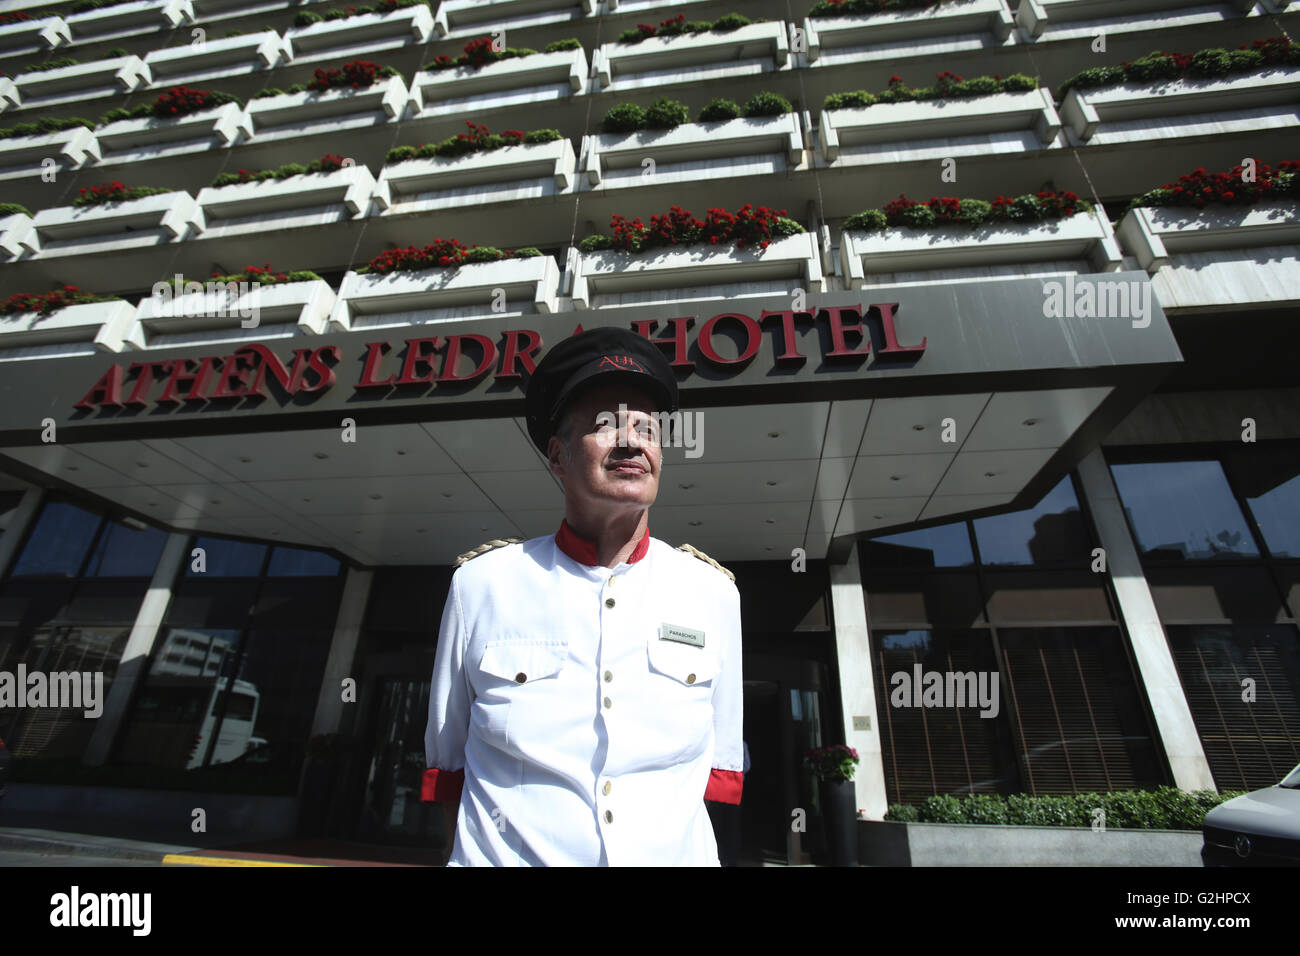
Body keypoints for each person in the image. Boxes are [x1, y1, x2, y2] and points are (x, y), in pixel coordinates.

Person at [421, 326, 744, 866]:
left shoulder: (712, 593)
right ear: (557, 456)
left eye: (646, 428)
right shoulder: (481, 585)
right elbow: (447, 768)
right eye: (605, 425)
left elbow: (720, 774)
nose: (631, 442)